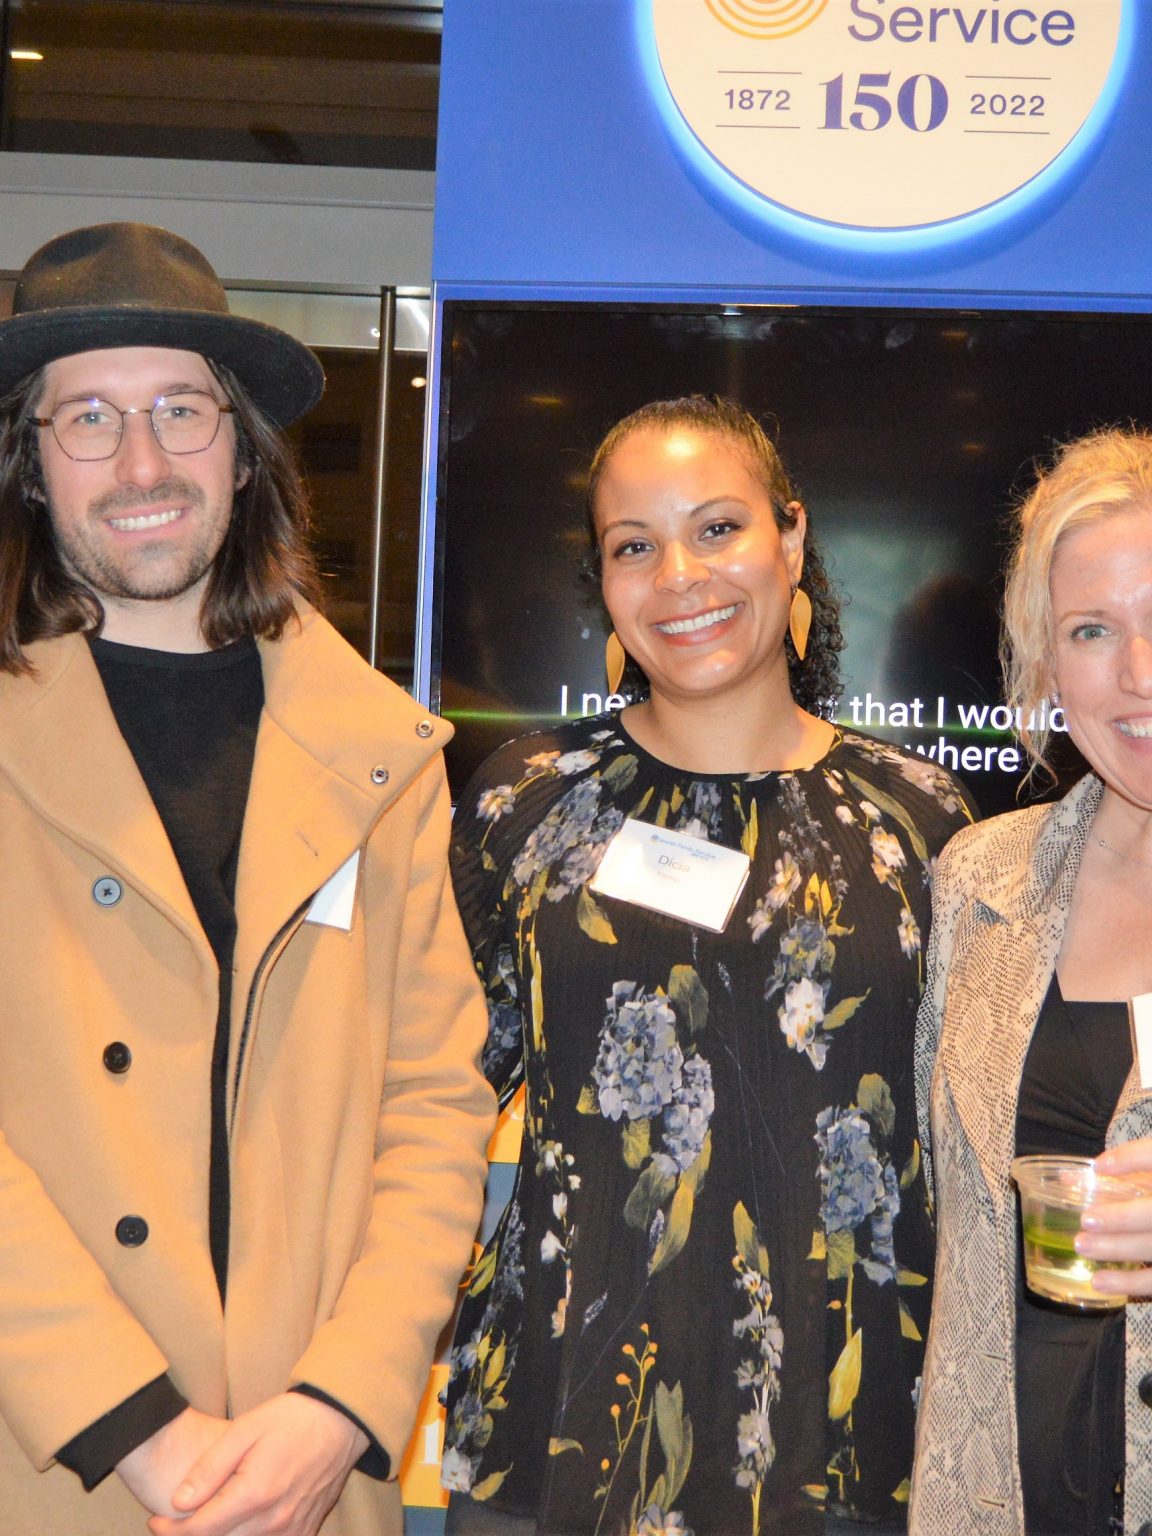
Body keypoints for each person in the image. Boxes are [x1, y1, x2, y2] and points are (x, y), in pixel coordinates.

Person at [0, 221, 497, 1536]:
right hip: (20, 1452)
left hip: (292, 1465)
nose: (142, 462)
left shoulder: (380, 749)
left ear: (242, 453)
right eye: (89, 421)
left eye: (181, 409)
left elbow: (434, 1103)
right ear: (25, 465)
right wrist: (137, 1427)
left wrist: (344, 1403)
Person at [440, 396, 975, 1535]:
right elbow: (424, 1093)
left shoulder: (923, 821)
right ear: (605, 582)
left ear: (791, 540)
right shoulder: (526, 803)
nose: (679, 574)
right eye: (634, 545)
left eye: (718, 528)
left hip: (857, 1435)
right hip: (565, 1427)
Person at [911, 428, 1152, 1536]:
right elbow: (946, 1223)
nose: (1138, 672)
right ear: (1048, 668)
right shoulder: (981, 882)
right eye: (1093, 631)